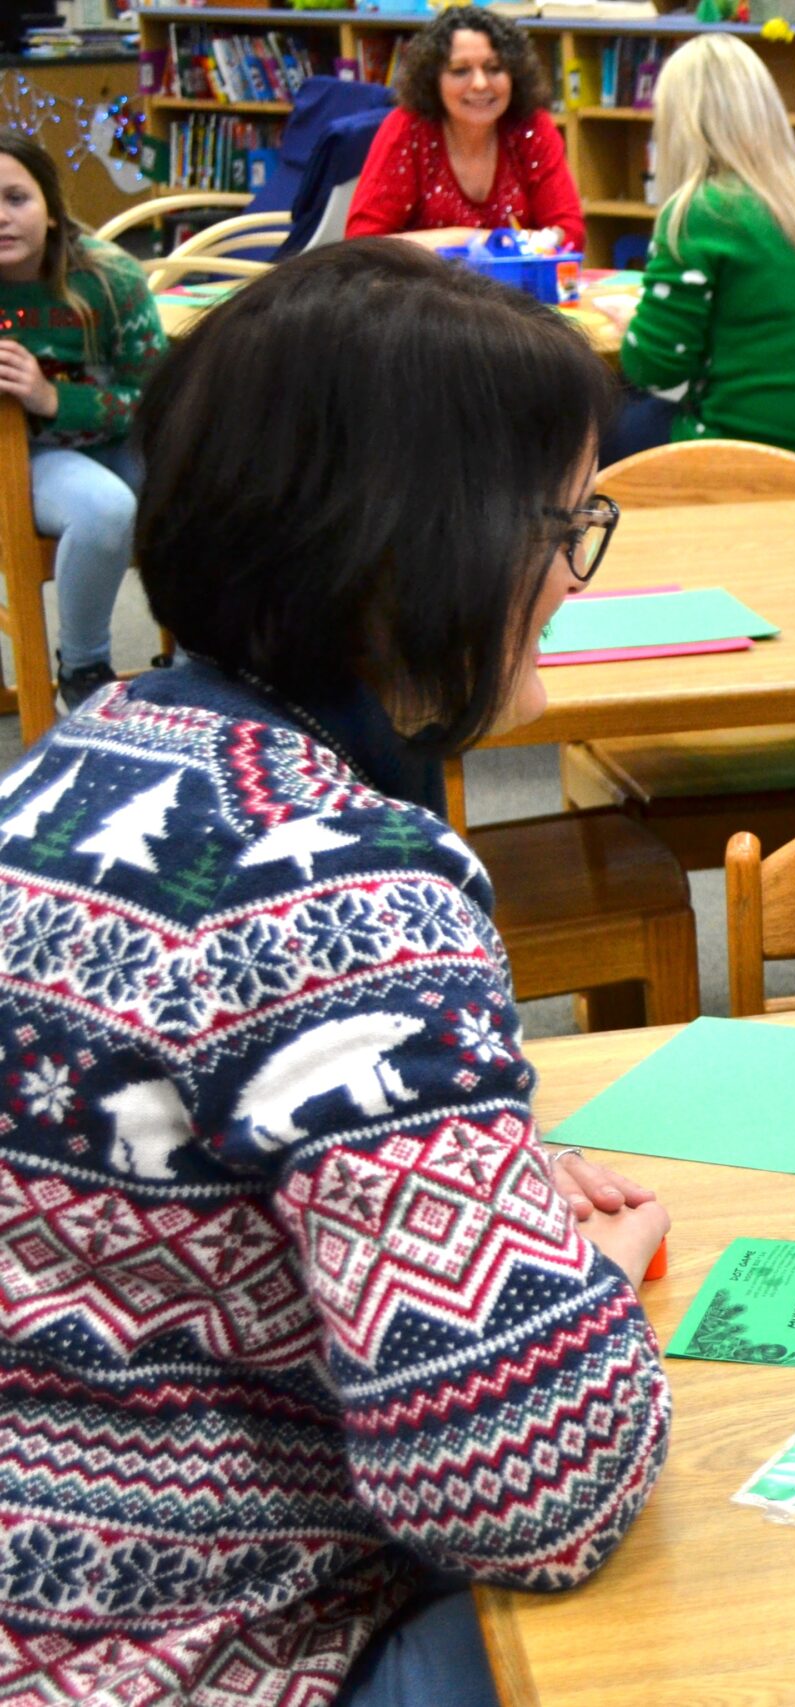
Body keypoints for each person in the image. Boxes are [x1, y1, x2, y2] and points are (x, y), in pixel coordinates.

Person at [0, 242, 667, 1706]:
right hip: (218, 1646)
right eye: (559, 524)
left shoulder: (67, 773)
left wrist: (441, 1170)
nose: (571, 571)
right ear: (412, 546)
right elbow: (528, 1486)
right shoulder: (342, 883)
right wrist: (586, 1294)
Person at [606, 33, 795, 457]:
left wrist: (632, 330)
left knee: (589, 426)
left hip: (739, 454)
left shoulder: (698, 213)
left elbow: (654, 369)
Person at [0, 131, 161, 710]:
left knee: (206, 484)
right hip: (17, 459)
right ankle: (85, 668)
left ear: (49, 209)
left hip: (115, 435)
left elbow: (151, 398)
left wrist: (51, 399)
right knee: (105, 510)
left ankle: (207, 658)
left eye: (16, 198)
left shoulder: (109, 278)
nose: (2, 219)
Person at [346, 5, 585, 252]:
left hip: (515, 288)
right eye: (460, 71)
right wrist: (474, 239)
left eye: (494, 69)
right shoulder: (407, 128)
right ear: (433, 80)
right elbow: (362, 244)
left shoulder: (532, 125)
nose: (480, 84)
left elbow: (569, 235)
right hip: (422, 288)